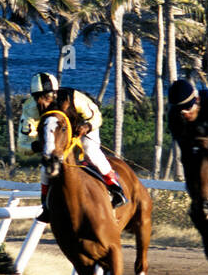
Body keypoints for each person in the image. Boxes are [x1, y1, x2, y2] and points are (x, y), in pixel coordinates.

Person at [16, 71, 126, 220]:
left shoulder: (74, 98)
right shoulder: (30, 109)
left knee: (89, 149)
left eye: (46, 97)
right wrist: (37, 146)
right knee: (46, 163)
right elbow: (22, 145)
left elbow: (97, 117)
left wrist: (86, 127)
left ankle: (115, 187)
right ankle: (46, 205)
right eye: (37, 98)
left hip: (81, 126)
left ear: (54, 94)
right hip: (55, 134)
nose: (42, 103)